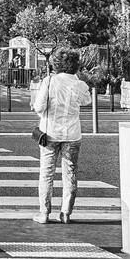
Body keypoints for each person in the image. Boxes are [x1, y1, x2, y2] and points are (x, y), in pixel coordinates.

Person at [30, 48, 93, 224]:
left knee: (46, 173)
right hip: (72, 134)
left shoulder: (49, 82)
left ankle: (44, 213)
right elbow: (87, 101)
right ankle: (66, 212)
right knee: (70, 172)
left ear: (56, 64)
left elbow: (39, 107)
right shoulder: (79, 84)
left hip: (50, 134)